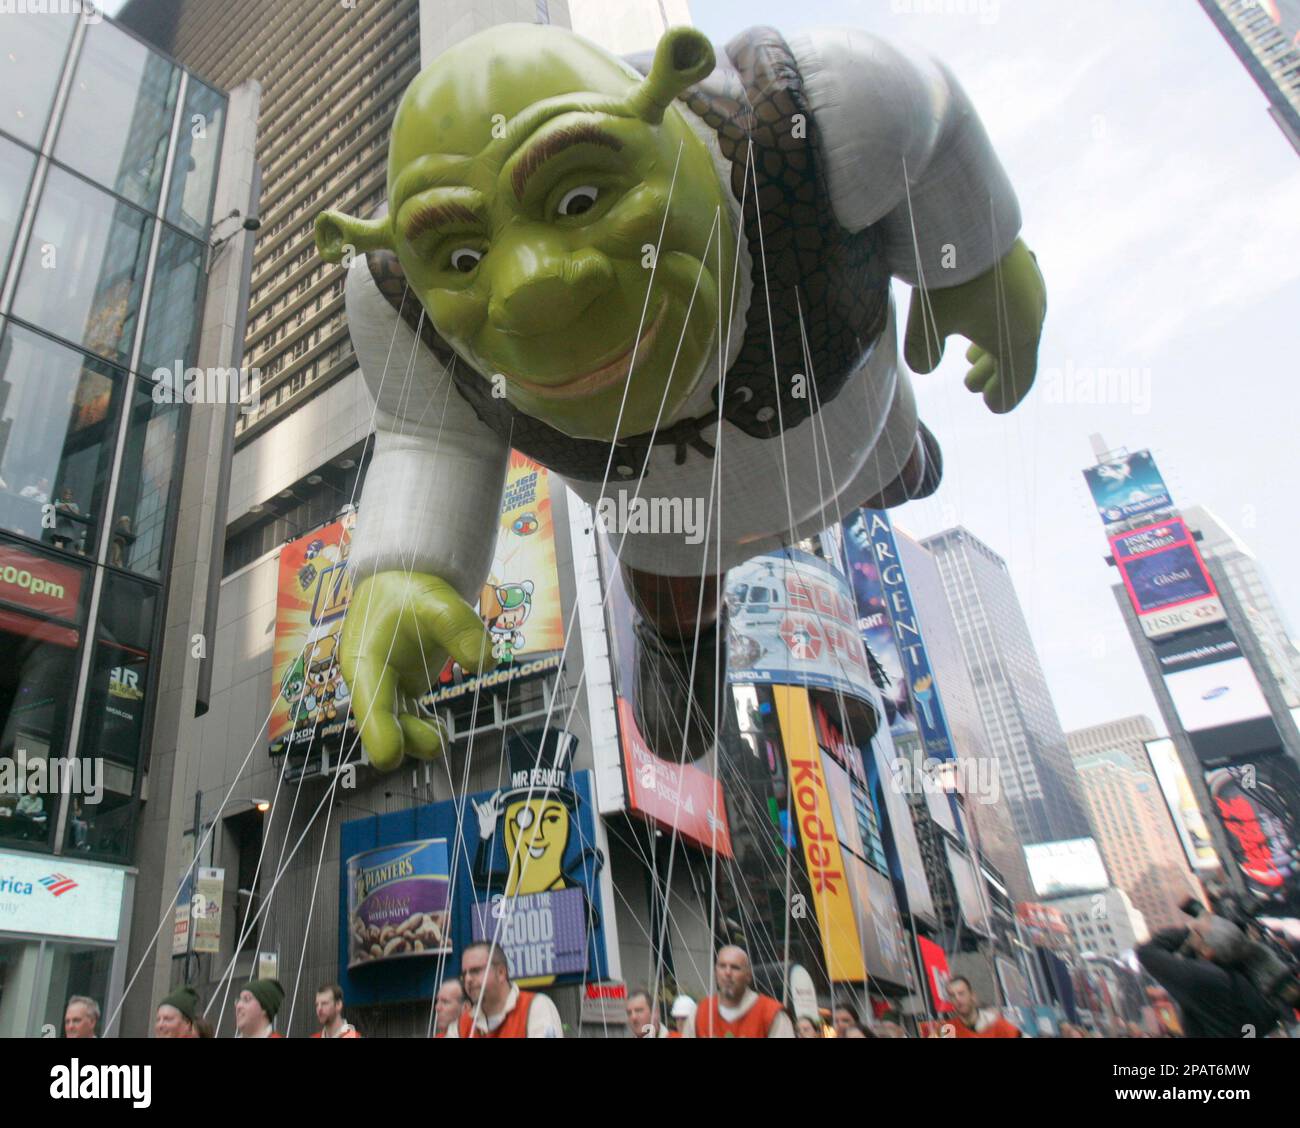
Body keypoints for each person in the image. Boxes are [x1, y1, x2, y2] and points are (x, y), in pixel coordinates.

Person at [1136, 915, 1279, 1038]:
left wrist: (1186, 929)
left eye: (1196, 933)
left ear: (1208, 951)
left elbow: (1147, 952)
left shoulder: (1206, 978)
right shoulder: (1238, 975)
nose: (1191, 935)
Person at [446, 940, 564, 1038]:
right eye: (464, 974)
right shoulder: (461, 1025)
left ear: (501, 972)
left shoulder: (536, 1006)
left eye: (475, 971)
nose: (468, 979)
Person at [689, 946, 794, 1038]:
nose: (727, 973)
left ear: (748, 976)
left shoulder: (771, 1014)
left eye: (735, 968)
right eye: (722, 966)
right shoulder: (699, 1013)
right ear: (716, 972)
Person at [939, 977, 1022, 1038]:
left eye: (961, 993)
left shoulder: (997, 1024)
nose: (957, 999)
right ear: (950, 1001)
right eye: (953, 996)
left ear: (972, 996)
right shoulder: (948, 1029)